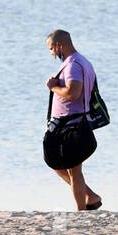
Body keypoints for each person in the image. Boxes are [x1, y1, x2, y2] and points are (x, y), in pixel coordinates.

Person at [45, 28, 102, 210]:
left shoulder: (72, 65)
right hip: (70, 123)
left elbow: (73, 92)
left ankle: (81, 210)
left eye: (51, 49)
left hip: (72, 124)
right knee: (58, 165)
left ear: (59, 45)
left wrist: (53, 87)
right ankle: (90, 197)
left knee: (74, 169)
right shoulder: (82, 62)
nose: (51, 53)